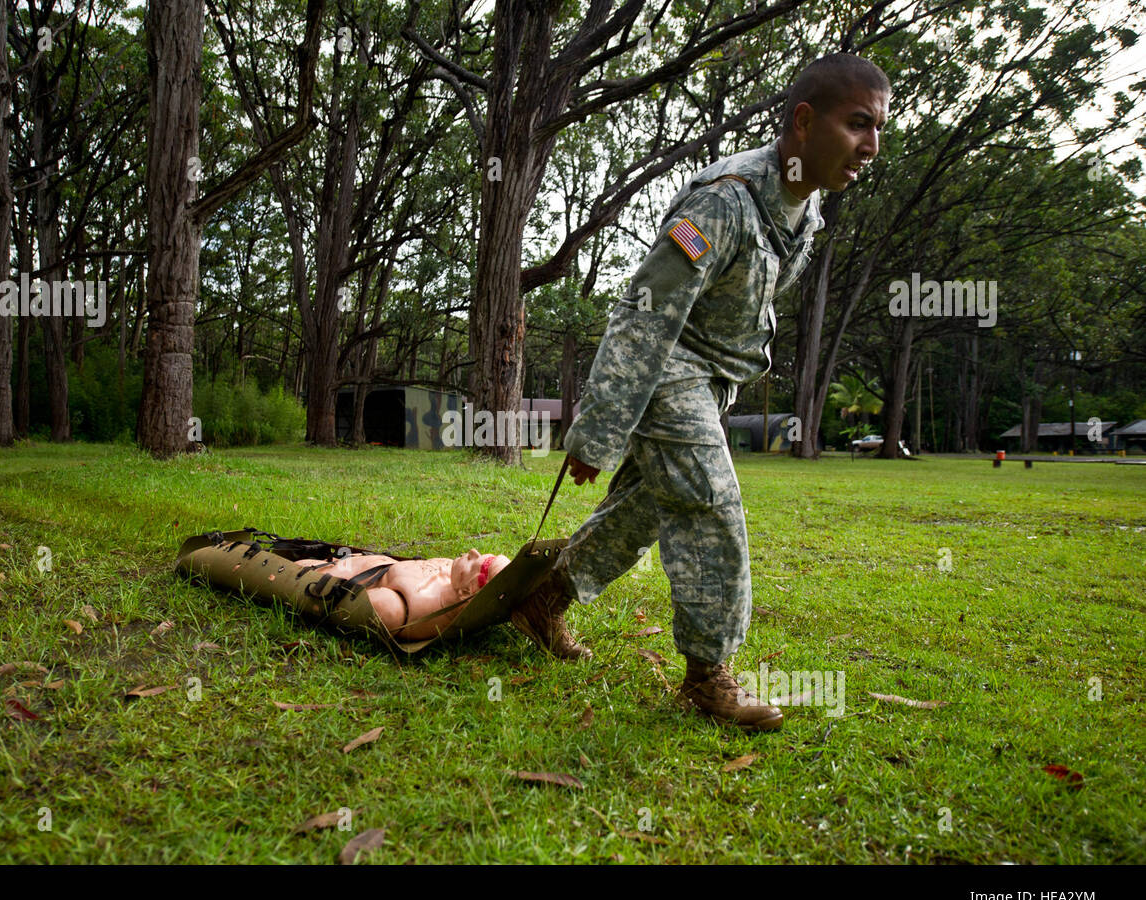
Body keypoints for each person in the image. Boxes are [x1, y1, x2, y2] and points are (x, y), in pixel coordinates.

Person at [510, 53, 890, 731]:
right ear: (804, 122)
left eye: (880, 129)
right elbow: (646, 310)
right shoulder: (726, 200)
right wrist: (599, 431)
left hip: (714, 378)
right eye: (858, 123)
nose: (872, 146)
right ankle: (707, 677)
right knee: (710, 504)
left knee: (644, 509)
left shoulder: (803, 208)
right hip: (669, 367)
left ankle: (542, 600)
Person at [295, 548, 511, 642]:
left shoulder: (403, 609)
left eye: (477, 562)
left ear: (469, 591)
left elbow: (351, 603)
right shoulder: (450, 572)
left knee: (298, 567)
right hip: (364, 562)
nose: (472, 552)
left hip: (334, 574)